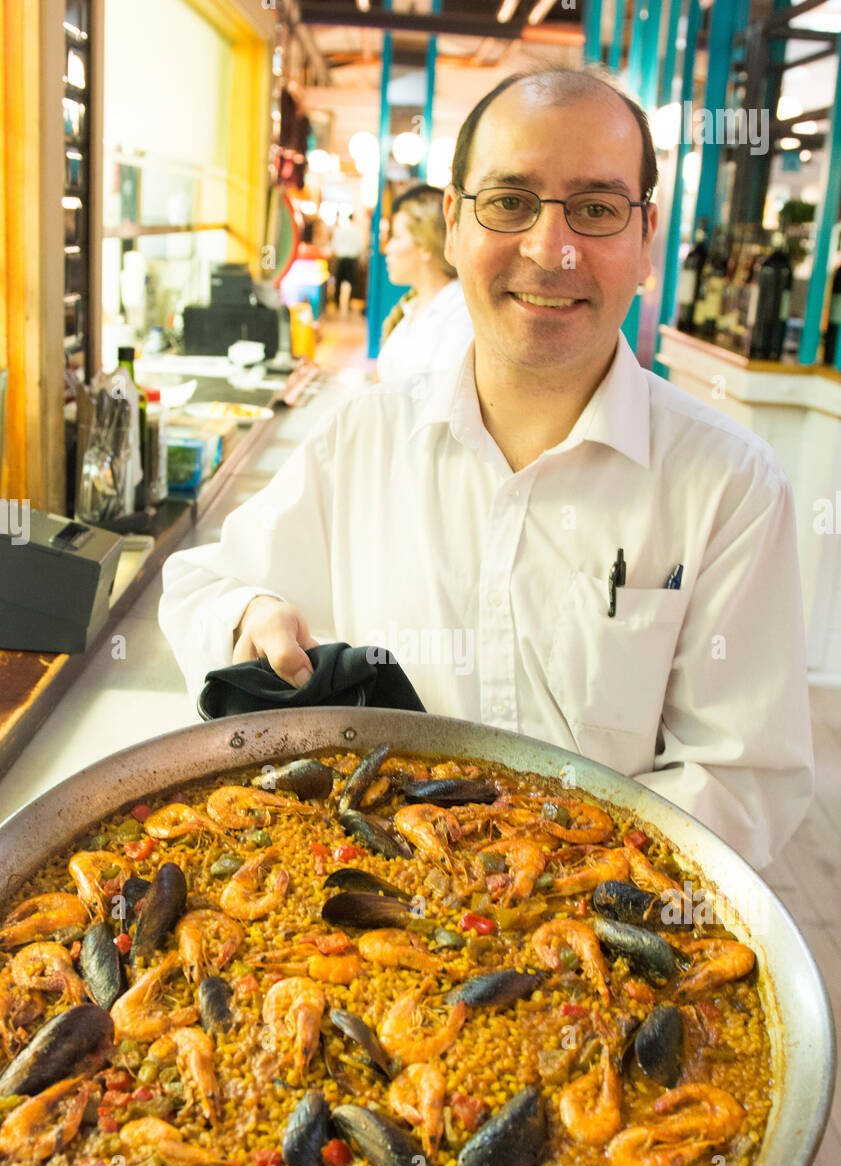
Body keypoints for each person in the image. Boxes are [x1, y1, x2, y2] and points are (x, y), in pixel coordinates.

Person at [159, 66, 813, 870]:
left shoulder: (729, 485)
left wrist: (539, 869)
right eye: (508, 202)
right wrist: (251, 613)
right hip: (370, 921)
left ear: (646, 241)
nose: (550, 249)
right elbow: (200, 586)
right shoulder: (360, 440)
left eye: (597, 210)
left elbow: (742, 779)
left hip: (600, 931)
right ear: (454, 224)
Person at [376, 184, 474, 387]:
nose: (388, 248)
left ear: (426, 245)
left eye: (396, 236)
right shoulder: (410, 307)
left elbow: (443, 396)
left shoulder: (460, 312)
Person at [331, 213, 366, 313]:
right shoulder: (357, 232)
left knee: (338, 281)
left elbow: (334, 244)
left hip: (341, 258)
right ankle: (349, 302)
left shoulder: (340, 230)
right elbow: (360, 247)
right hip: (352, 259)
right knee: (352, 282)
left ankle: (337, 303)